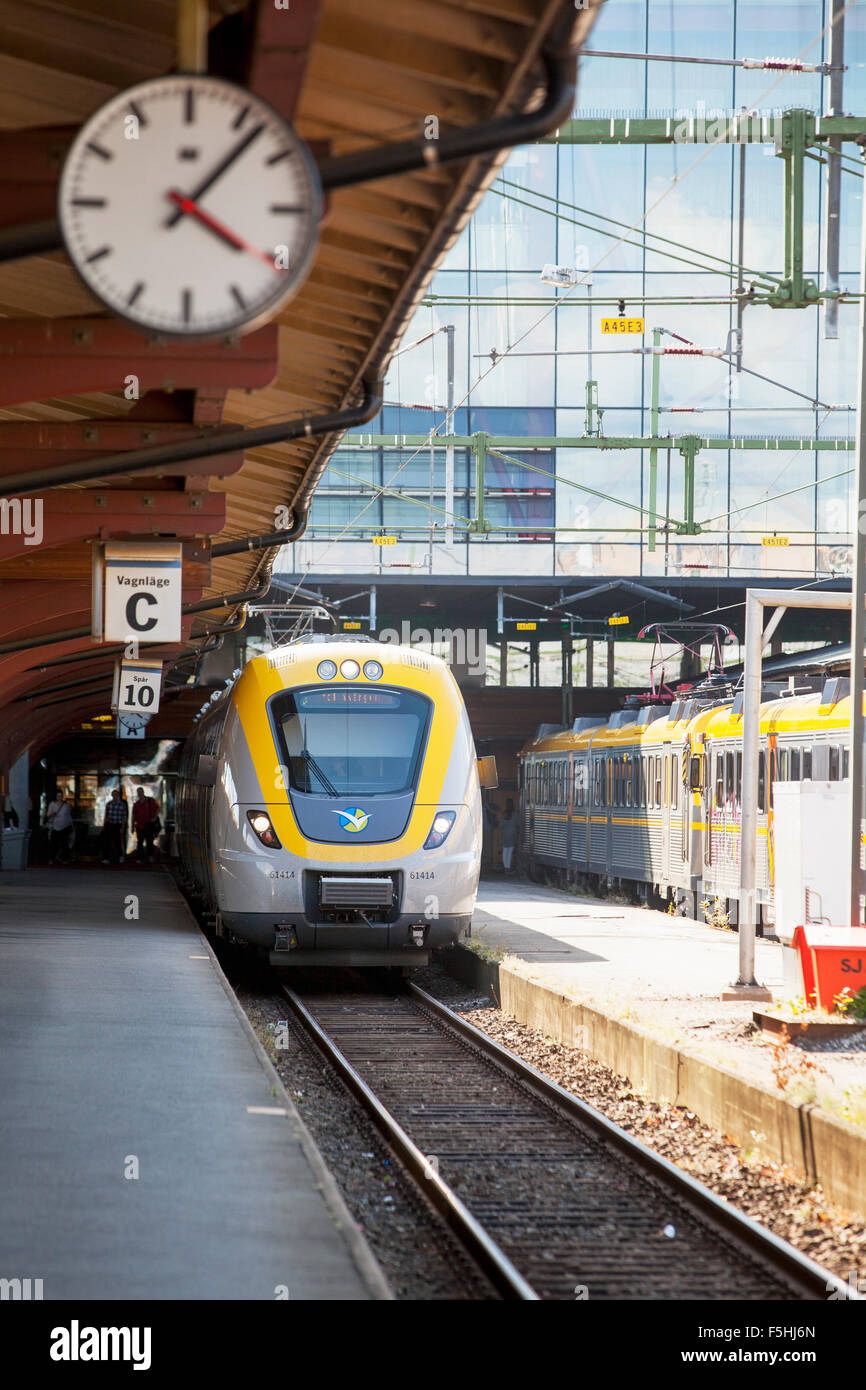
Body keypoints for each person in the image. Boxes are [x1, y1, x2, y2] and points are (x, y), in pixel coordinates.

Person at [132, 786, 160, 862]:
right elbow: (134, 815)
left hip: (149, 825)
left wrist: (154, 818)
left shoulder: (150, 801)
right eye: (138, 792)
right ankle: (140, 858)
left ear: (143, 792)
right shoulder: (137, 804)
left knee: (149, 842)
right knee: (140, 842)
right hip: (139, 826)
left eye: (140, 792)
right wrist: (132, 826)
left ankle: (150, 856)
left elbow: (157, 808)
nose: (139, 794)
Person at [45, 789, 73, 864]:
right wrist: (52, 814)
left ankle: (64, 858)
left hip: (64, 826)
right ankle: (51, 858)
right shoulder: (52, 804)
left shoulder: (66, 805)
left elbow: (69, 816)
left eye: (60, 796)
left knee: (64, 843)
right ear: (56, 797)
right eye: (58, 796)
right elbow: (48, 815)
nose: (59, 797)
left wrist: (71, 825)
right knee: (53, 843)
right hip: (55, 826)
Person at [101, 788, 128, 865]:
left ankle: (120, 856)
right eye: (113, 795)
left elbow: (124, 817)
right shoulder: (109, 804)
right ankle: (106, 857)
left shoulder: (122, 805)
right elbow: (106, 815)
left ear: (118, 795)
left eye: (116, 795)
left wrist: (122, 827)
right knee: (107, 841)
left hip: (118, 824)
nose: (114, 796)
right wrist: (104, 825)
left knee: (118, 841)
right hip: (110, 824)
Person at [500, 798, 518, 875]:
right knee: (510, 852)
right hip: (513, 834)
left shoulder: (504, 814)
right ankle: (508, 868)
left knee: (505, 851)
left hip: (505, 834)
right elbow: (518, 824)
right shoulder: (515, 814)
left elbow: (501, 825)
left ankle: (506, 868)